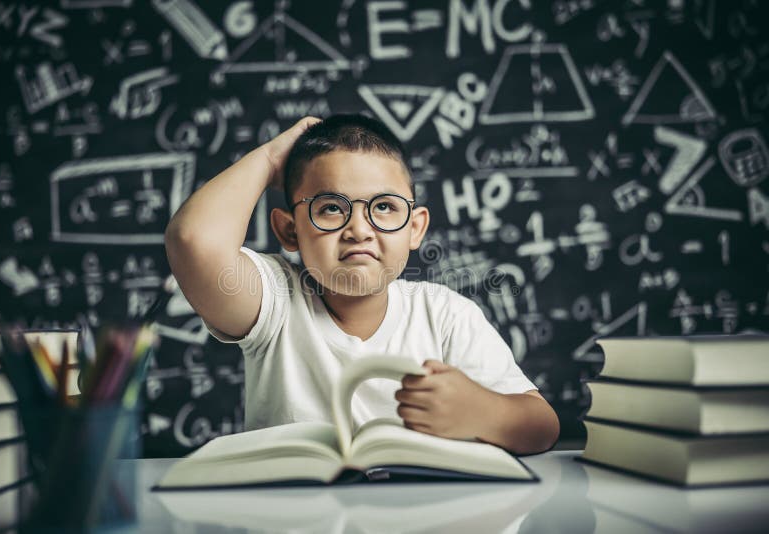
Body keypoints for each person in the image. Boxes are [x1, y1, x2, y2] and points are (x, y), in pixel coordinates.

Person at [165, 113, 559, 454]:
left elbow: (543, 426)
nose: (359, 229)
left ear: (415, 227)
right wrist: (270, 159)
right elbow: (193, 240)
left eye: (384, 207)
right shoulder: (275, 302)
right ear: (289, 230)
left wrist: (483, 412)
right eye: (331, 208)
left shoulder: (446, 315)